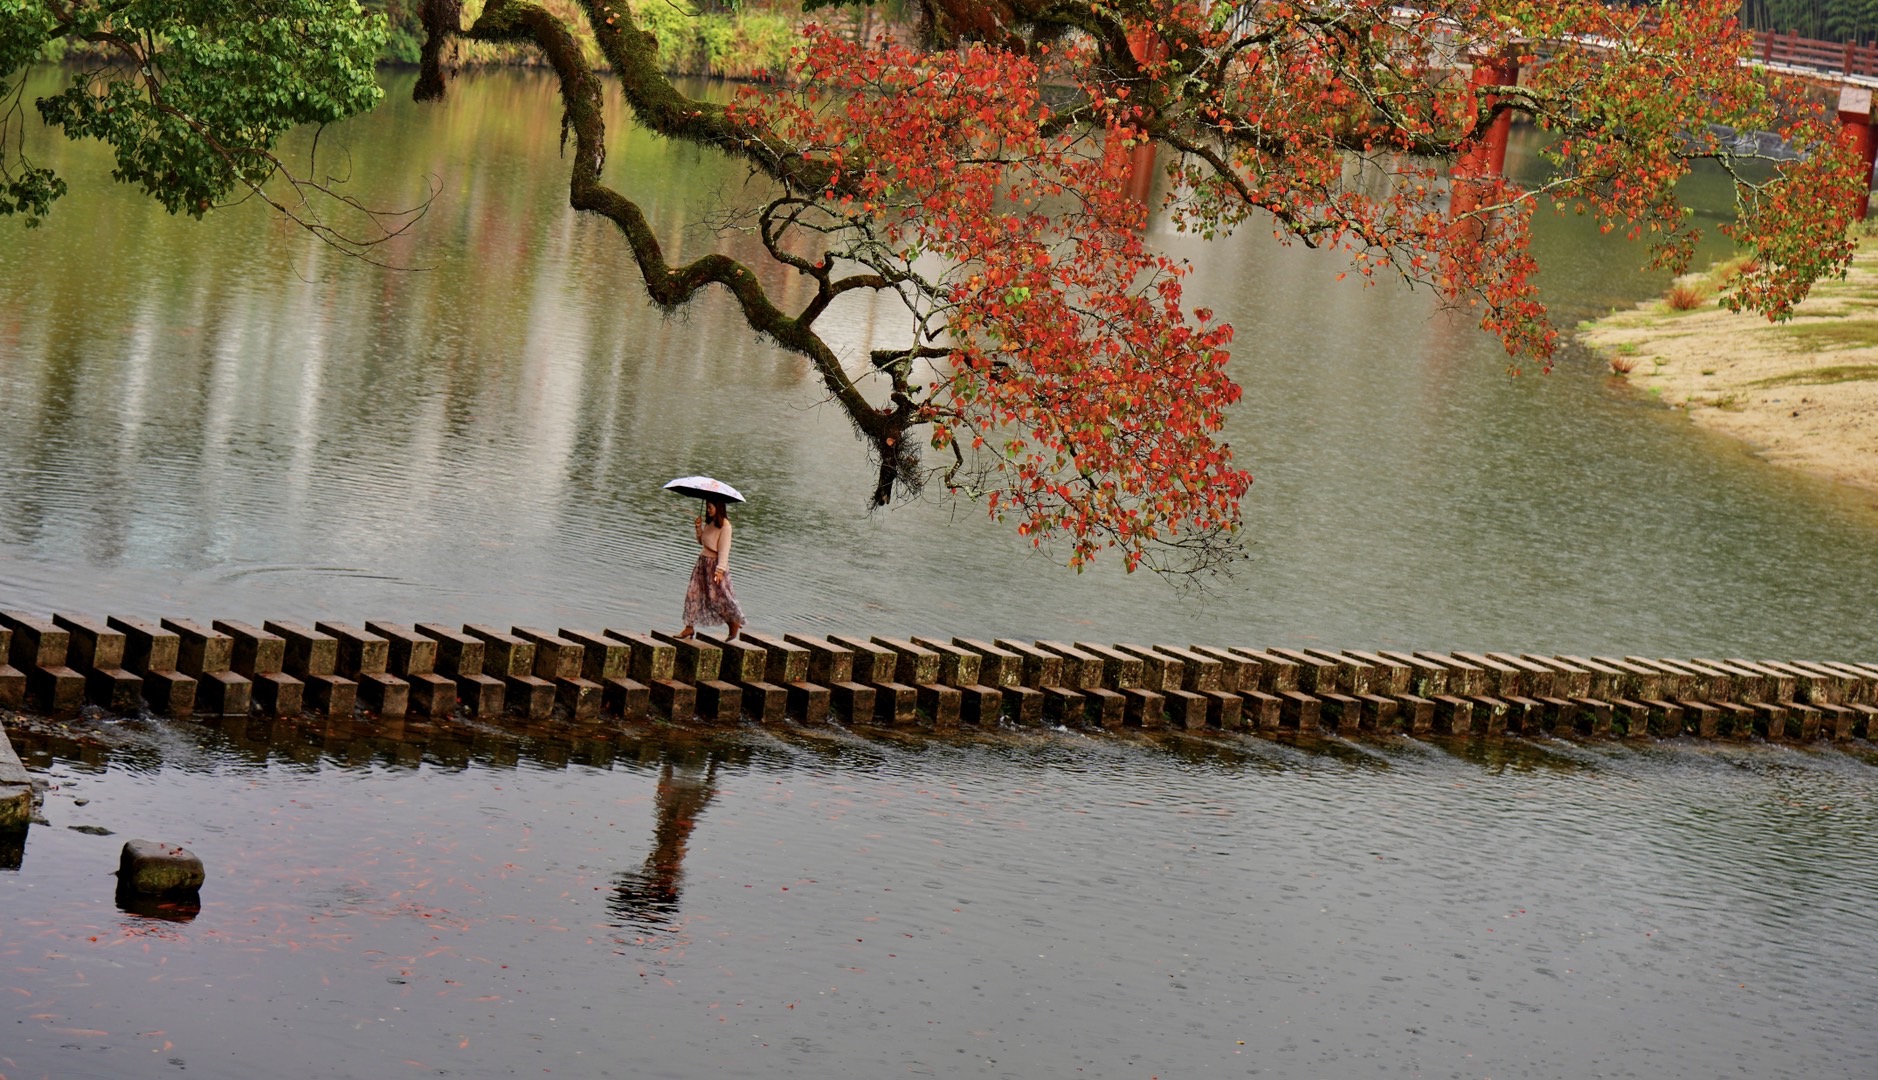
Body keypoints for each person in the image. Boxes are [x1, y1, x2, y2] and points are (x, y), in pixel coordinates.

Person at [677, 498, 744, 640]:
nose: (708, 510)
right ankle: (689, 627)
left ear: (719, 507)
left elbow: (724, 550)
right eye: (707, 507)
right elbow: (703, 542)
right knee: (693, 594)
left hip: (715, 566)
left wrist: (719, 571)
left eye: (710, 507)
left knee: (718, 598)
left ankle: (733, 622)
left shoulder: (726, 526)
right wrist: (698, 527)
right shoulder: (711, 522)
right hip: (702, 563)